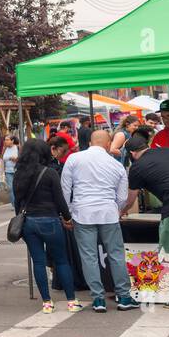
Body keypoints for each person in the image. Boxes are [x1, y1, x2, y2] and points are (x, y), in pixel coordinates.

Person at [61, 130, 136, 313]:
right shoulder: (116, 164)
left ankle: (98, 299)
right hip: (108, 214)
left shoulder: (74, 159)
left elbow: (65, 188)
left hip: (82, 213)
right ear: (108, 142)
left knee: (89, 256)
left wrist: (68, 212)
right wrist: (117, 210)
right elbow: (122, 196)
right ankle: (124, 296)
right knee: (116, 255)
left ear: (89, 142)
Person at [122, 134, 169, 310]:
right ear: (147, 145)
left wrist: (122, 211)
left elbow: (131, 199)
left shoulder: (137, 167)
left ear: (132, 153)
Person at [12, 140, 82, 313]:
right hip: (50, 220)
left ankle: (47, 303)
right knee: (61, 260)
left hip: (28, 222)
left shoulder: (18, 174)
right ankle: (71, 301)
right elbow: (60, 201)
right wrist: (67, 218)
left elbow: (17, 202)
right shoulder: (50, 173)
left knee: (38, 261)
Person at [2, 133, 21, 208]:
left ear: (12, 141)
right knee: (10, 188)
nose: (5, 141)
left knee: (18, 187)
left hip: (17, 170)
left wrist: (16, 159)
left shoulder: (18, 147)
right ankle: (14, 204)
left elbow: (22, 157)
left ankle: (19, 202)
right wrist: (10, 158)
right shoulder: (5, 148)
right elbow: (3, 158)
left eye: (7, 140)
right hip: (8, 171)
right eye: (5, 140)